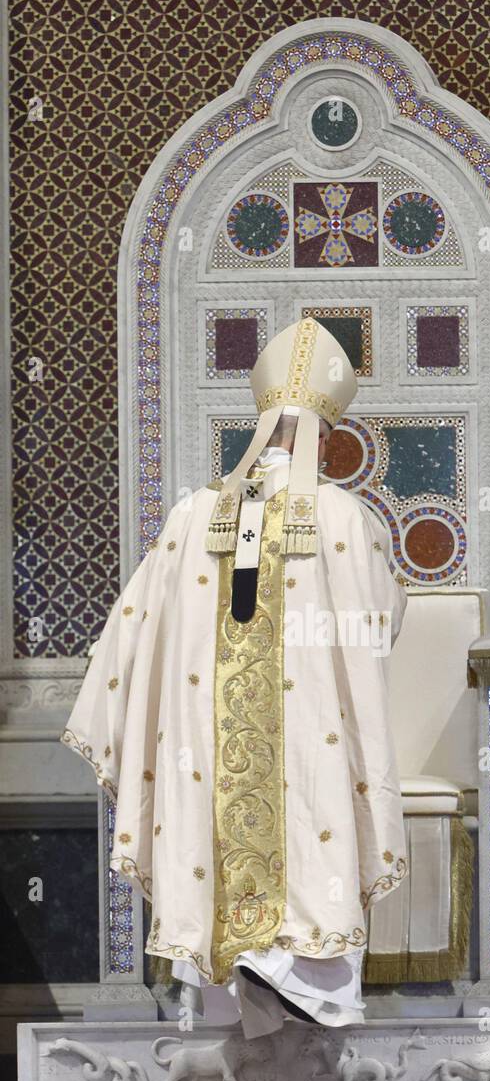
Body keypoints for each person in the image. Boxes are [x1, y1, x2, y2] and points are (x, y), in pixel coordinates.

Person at [61, 317, 408, 1038]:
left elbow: (134, 627)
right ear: (328, 433)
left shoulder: (193, 514)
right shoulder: (345, 516)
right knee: (311, 820)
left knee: (211, 817)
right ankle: (300, 977)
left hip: (205, 746)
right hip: (311, 730)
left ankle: (230, 975)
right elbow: (381, 623)